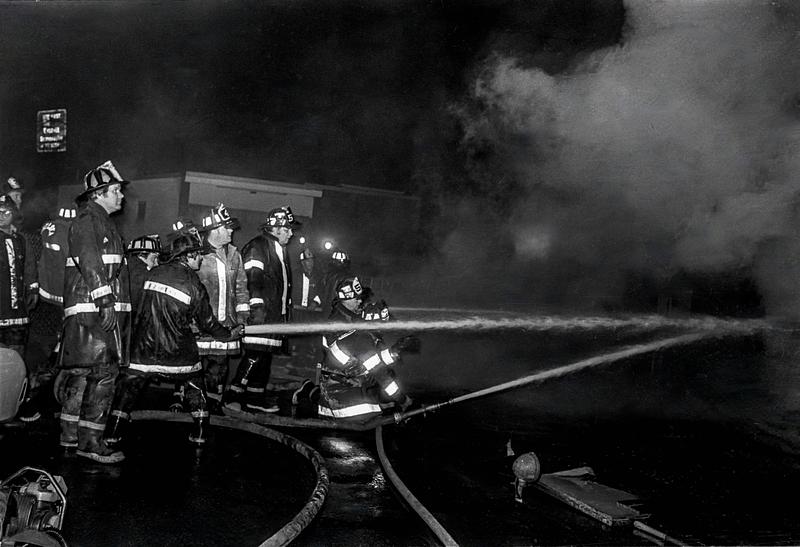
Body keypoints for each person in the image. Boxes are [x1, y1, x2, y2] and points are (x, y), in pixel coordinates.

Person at [104, 233, 244, 447]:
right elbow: (207, 322)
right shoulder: (193, 283)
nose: (201, 260)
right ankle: (200, 433)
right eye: (198, 255)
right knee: (196, 386)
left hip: (143, 349)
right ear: (188, 256)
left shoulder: (154, 272)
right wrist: (229, 334)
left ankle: (112, 434)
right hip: (178, 351)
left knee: (127, 390)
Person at [56, 161, 130, 464]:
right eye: (115, 191)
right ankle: (91, 443)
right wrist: (105, 301)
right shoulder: (89, 220)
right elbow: (90, 262)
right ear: (98, 193)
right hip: (95, 312)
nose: (121, 197)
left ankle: (70, 435)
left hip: (89, 311)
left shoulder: (96, 220)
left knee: (83, 373)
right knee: (103, 374)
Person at [294, 278, 417, 420]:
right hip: (337, 387)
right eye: (357, 299)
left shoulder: (358, 326)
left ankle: (313, 391)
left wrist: (395, 351)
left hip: (349, 376)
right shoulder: (351, 331)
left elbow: (374, 360)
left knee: (382, 389)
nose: (360, 302)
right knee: (369, 412)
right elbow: (378, 371)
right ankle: (311, 404)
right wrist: (403, 400)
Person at [226, 206, 299, 414]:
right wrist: (255, 308)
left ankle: (255, 398)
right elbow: (251, 280)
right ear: (275, 229)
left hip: (274, 316)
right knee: (255, 354)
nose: (291, 233)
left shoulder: (277, 249)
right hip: (261, 315)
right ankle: (233, 395)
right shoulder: (258, 246)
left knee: (265, 356)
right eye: (287, 229)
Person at [18, 207, 76, 422]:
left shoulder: (45, 230)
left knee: (41, 354)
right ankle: (32, 404)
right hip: (60, 301)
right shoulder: (70, 232)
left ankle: (28, 400)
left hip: (43, 298)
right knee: (51, 355)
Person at [196, 203, 249, 412]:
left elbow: (241, 287)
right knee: (194, 367)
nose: (231, 231)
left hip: (226, 324)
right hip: (199, 326)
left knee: (219, 368)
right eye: (227, 227)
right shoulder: (197, 253)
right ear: (215, 229)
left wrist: (242, 317)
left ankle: (213, 405)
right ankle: (189, 403)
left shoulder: (235, 255)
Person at [125, 234, 160, 318]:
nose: (156, 264)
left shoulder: (126, 269)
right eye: (153, 259)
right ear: (141, 256)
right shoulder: (143, 274)